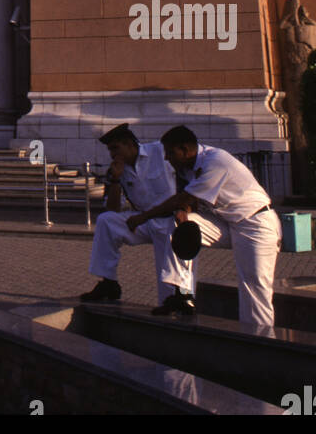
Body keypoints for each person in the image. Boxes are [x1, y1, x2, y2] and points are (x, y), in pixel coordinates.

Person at [126, 126, 281, 329]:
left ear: (184, 149)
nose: (166, 159)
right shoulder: (188, 165)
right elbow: (186, 198)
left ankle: (262, 342)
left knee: (254, 287)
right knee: (178, 226)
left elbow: (183, 197)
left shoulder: (216, 162)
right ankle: (182, 295)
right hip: (228, 222)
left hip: (256, 224)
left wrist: (143, 217)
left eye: (170, 153)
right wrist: (184, 210)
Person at [80, 124, 195, 315]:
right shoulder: (119, 169)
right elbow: (113, 208)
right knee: (106, 221)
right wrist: (115, 179)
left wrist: (184, 208)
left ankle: (181, 296)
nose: (111, 154)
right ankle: (108, 282)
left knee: (167, 287)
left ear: (129, 144)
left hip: (170, 220)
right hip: (144, 222)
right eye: (109, 149)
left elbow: (188, 178)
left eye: (115, 148)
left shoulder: (160, 151)